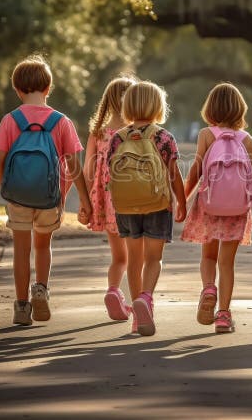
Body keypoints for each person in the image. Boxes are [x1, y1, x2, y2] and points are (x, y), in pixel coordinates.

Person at [0, 55, 92, 326]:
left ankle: (22, 307)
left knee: (21, 251)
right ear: (49, 89)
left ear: (17, 89)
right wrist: (84, 200)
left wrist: (6, 187)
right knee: (43, 245)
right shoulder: (61, 122)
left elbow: (0, 161)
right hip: (50, 199)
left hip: (18, 198)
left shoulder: (10, 120)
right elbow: (74, 165)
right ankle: (41, 289)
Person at [107, 81, 187, 336]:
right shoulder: (163, 137)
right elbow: (174, 175)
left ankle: (135, 317)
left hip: (127, 208)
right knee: (154, 259)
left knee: (134, 259)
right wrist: (182, 202)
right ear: (158, 107)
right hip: (157, 205)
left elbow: (111, 173)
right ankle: (146, 299)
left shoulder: (118, 138)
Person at [182, 83, 252, 333]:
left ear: (210, 109)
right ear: (240, 110)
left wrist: (182, 198)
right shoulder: (247, 140)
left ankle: (208, 289)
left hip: (209, 204)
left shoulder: (206, 134)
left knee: (208, 256)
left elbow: (196, 170)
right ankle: (224, 315)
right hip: (237, 209)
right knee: (227, 263)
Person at [84, 76, 136, 321]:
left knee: (119, 257)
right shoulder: (137, 132)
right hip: (135, 201)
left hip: (107, 202)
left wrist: (86, 204)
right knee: (139, 256)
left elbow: (87, 171)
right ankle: (140, 301)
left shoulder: (98, 132)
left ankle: (114, 291)